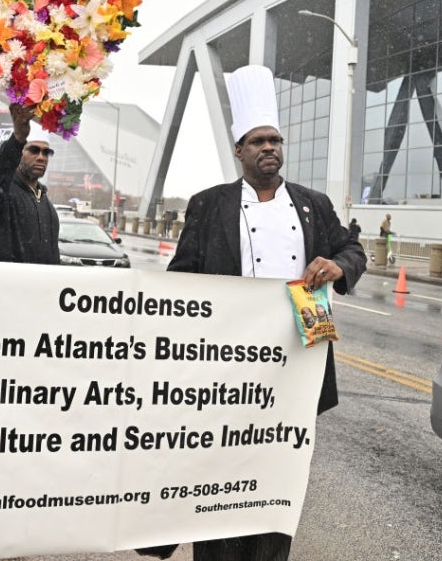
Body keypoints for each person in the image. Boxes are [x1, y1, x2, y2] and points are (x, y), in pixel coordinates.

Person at [141, 65, 367, 561]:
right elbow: (183, 278)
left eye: (275, 140)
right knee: (217, 470)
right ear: (240, 150)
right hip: (226, 365)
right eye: (258, 141)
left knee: (277, 475)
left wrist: (337, 265)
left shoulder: (312, 204)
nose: (270, 148)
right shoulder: (209, 205)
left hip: (296, 363)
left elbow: (354, 250)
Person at [0, 102, 60, 264]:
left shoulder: (45, 201)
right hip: (9, 287)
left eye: (46, 152)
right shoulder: (2, 193)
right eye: (34, 150)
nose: (41, 157)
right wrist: (18, 138)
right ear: (19, 151)